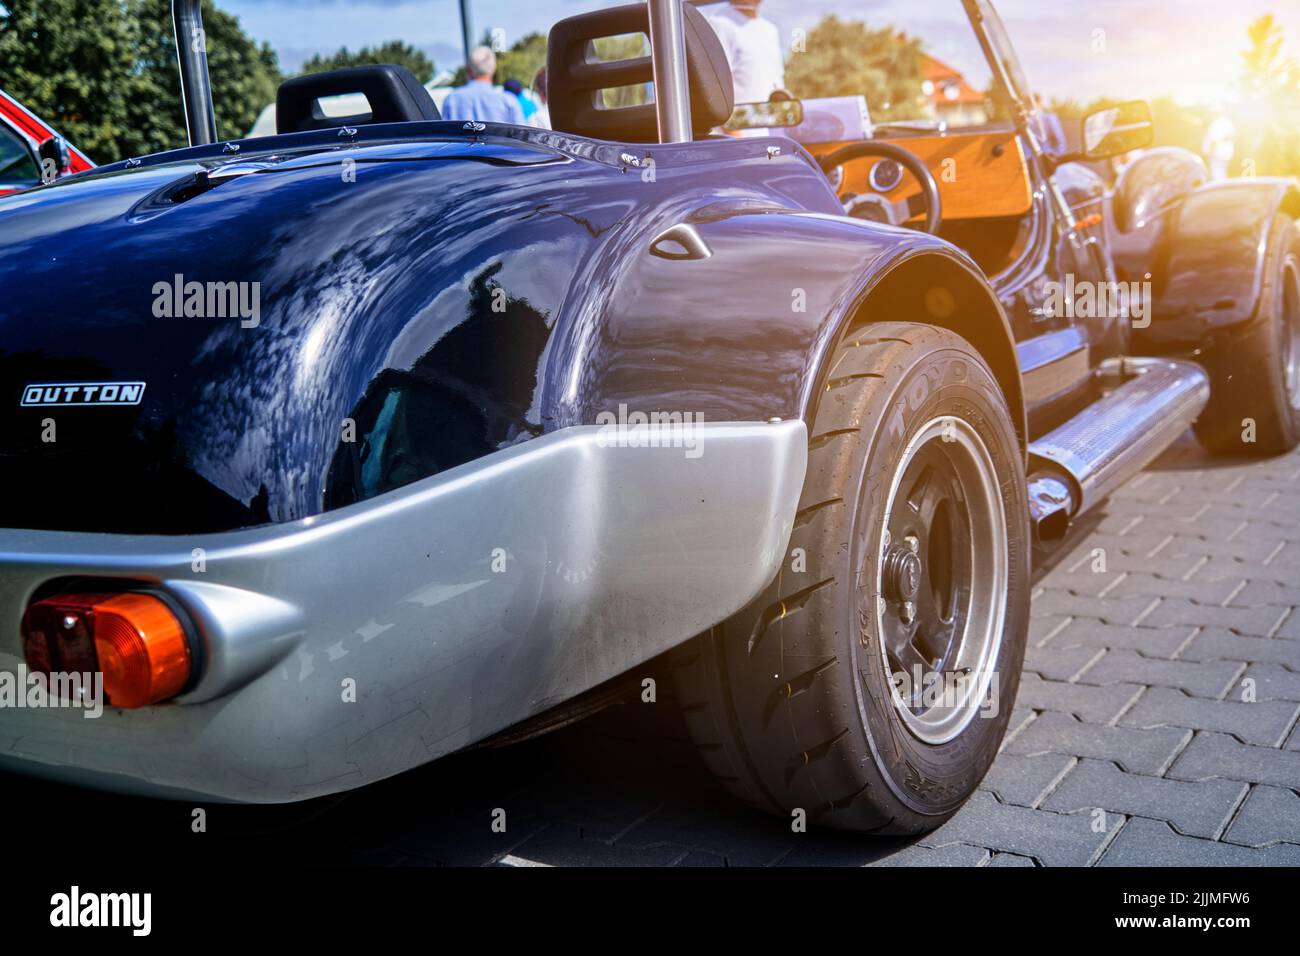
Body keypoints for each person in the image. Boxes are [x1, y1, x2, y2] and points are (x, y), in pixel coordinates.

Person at [705, 0, 785, 106]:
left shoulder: (770, 30)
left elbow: (777, 79)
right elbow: (715, 85)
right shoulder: (718, 24)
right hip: (741, 119)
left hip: (775, 118)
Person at [441, 46, 525, 125]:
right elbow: (522, 137)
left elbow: (444, 136)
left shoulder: (451, 99)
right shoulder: (509, 101)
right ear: (494, 69)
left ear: (468, 70)